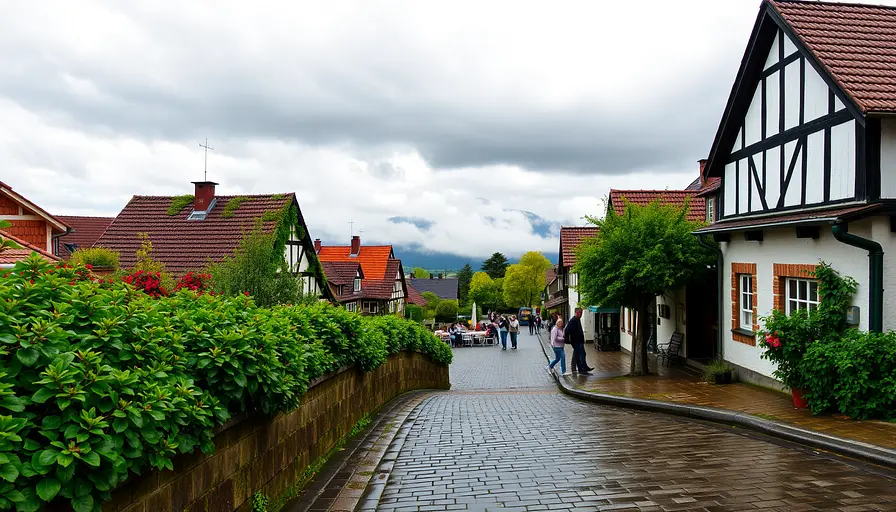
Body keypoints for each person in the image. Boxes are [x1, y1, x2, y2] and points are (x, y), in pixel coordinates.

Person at [565, 308, 592, 374]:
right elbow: (567, 330)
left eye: (581, 313)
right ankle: (581, 369)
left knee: (582, 354)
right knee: (580, 355)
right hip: (576, 341)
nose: (581, 314)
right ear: (576, 313)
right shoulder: (573, 321)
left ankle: (584, 367)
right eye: (580, 313)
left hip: (579, 340)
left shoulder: (577, 320)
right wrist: (567, 340)